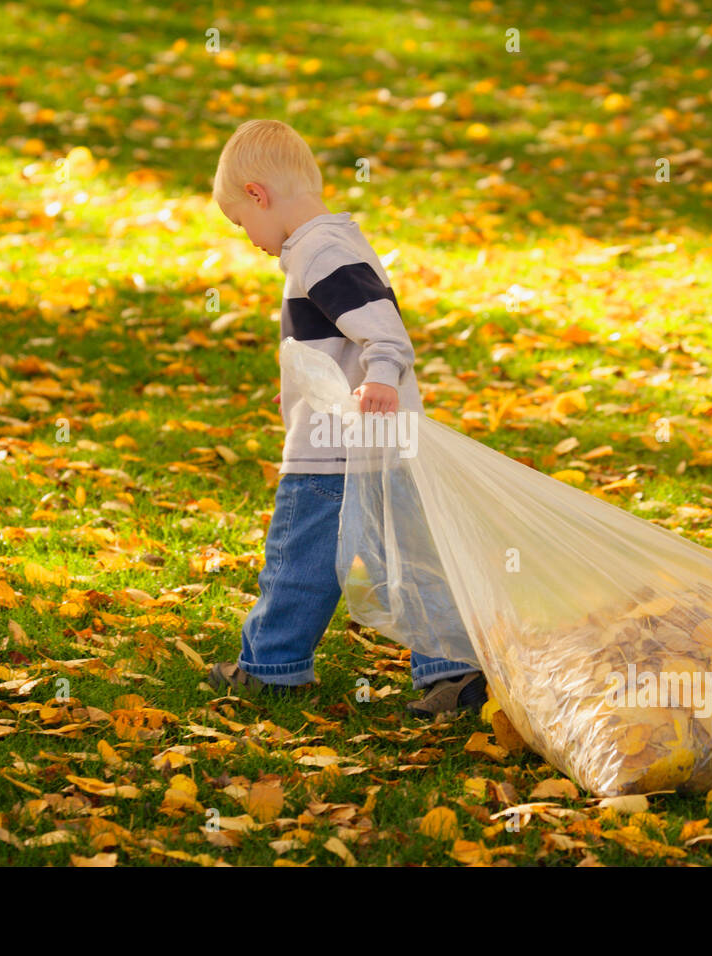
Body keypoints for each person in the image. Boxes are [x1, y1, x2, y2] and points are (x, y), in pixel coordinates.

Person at [207, 118, 486, 718]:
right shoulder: (338, 241)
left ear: (258, 194)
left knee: (298, 559)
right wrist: (301, 393)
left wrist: (381, 374)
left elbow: (381, 330)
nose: (247, 237)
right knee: (409, 558)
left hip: (335, 452)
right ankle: (453, 674)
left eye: (240, 222)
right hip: (381, 442)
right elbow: (338, 339)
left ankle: (271, 666)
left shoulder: (317, 250)